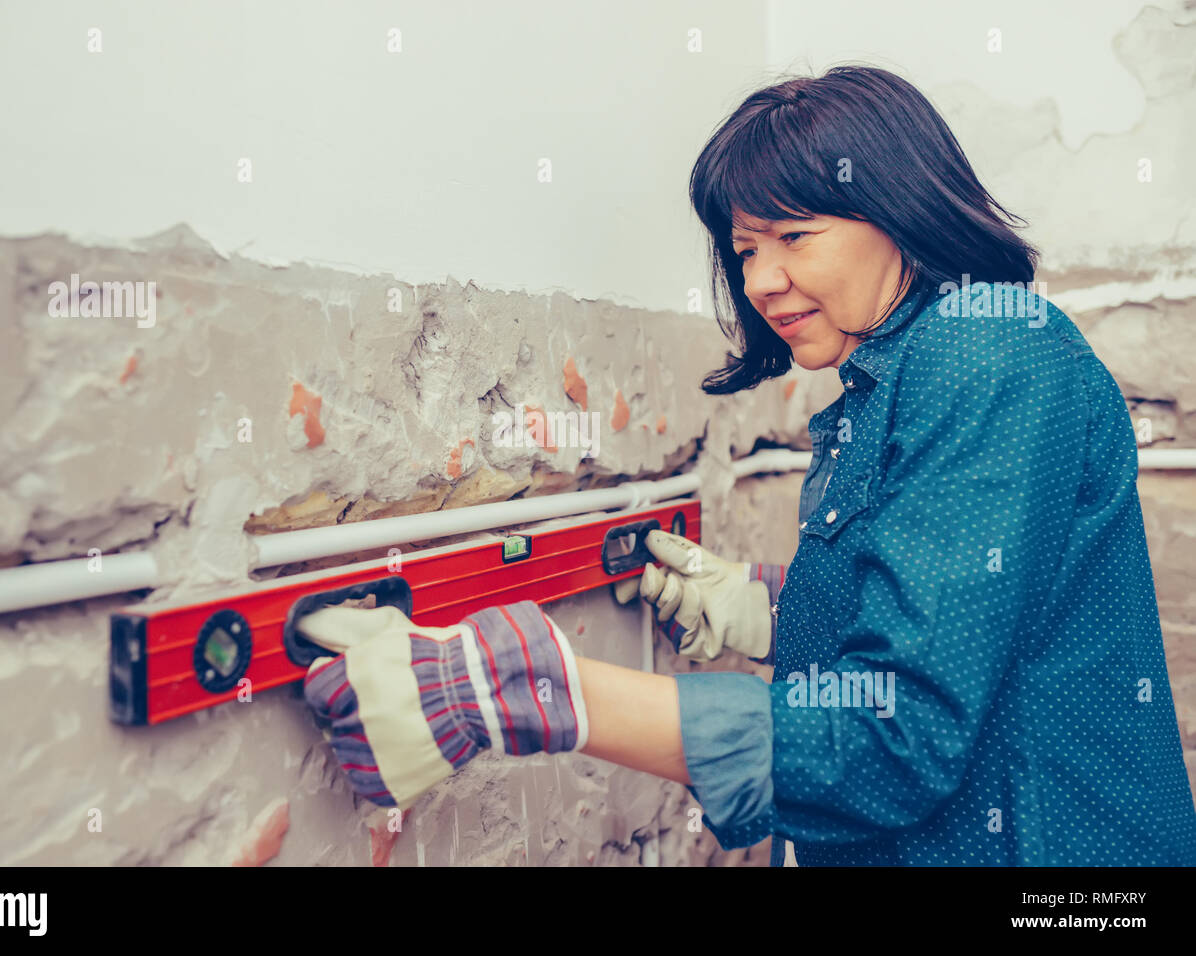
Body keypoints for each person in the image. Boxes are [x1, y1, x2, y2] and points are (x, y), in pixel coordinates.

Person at [298, 64, 1196, 865]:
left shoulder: (988, 354)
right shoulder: (893, 379)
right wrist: (771, 605)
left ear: (902, 210)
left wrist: (536, 688)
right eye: (744, 250)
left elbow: (900, 738)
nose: (761, 280)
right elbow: (957, 605)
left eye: (791, 237)